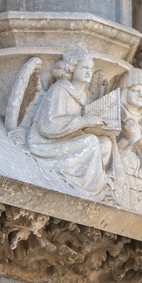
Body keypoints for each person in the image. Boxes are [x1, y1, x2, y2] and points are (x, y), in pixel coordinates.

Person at [25, 49, 114, 199]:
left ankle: (88, 183)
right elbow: (48, 126)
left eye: (90, 69)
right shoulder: (60, 89)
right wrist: (84, 121)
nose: (88, 72)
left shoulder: (86, 95)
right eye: (84, 68)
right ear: (72, 69)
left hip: (69, 137)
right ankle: (82, 186)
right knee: (90, 142)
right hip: (46, 142)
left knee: (105, 144)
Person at [111, 68, 142, 213]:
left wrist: (136, 136)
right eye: (136, 90)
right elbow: (112, 144)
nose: (141, 95)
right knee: (127, 203)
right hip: (121, 160)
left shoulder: (141, 116)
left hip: (138, 164)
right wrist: (133, 139)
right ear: (125, 91)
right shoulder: (118, 111)